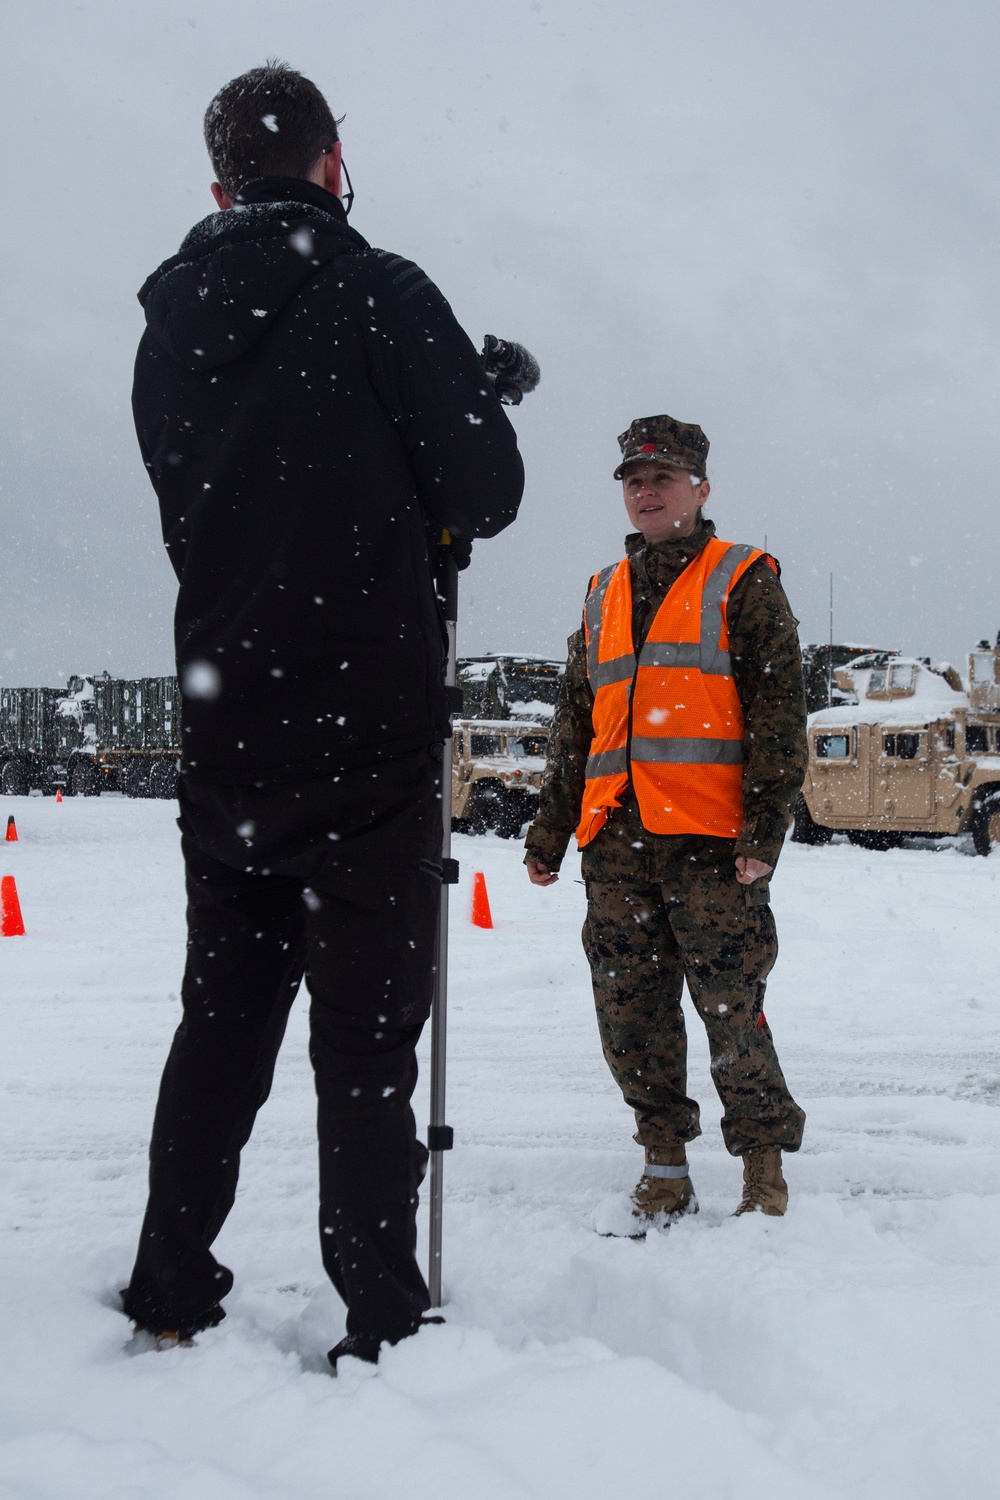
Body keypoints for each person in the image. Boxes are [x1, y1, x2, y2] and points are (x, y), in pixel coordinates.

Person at [121, 62, 524, 1365]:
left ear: (221, 183)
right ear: (333, 162)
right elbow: (485, 484)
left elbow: (216, 492)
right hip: (366, 730)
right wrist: (470, 386)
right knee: (365, 1042)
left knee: (223, 1021)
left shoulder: (169, 327)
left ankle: (172, 1281)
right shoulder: (377, 289)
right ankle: (379, 1315)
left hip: (230, 722)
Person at [524, 415, 806, 1230]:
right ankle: (664, 1164)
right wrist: (549, 835)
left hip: (712, 844)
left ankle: (761, 1168)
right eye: (634, 480)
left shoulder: (742, 578)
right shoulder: (602, 591)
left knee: (731, 1007)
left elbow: (780, 714)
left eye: (664, 478)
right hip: (616, 842)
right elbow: (576, 726)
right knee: (630, 1012)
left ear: (700, 490)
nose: (647, 490)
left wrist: (763, 837)